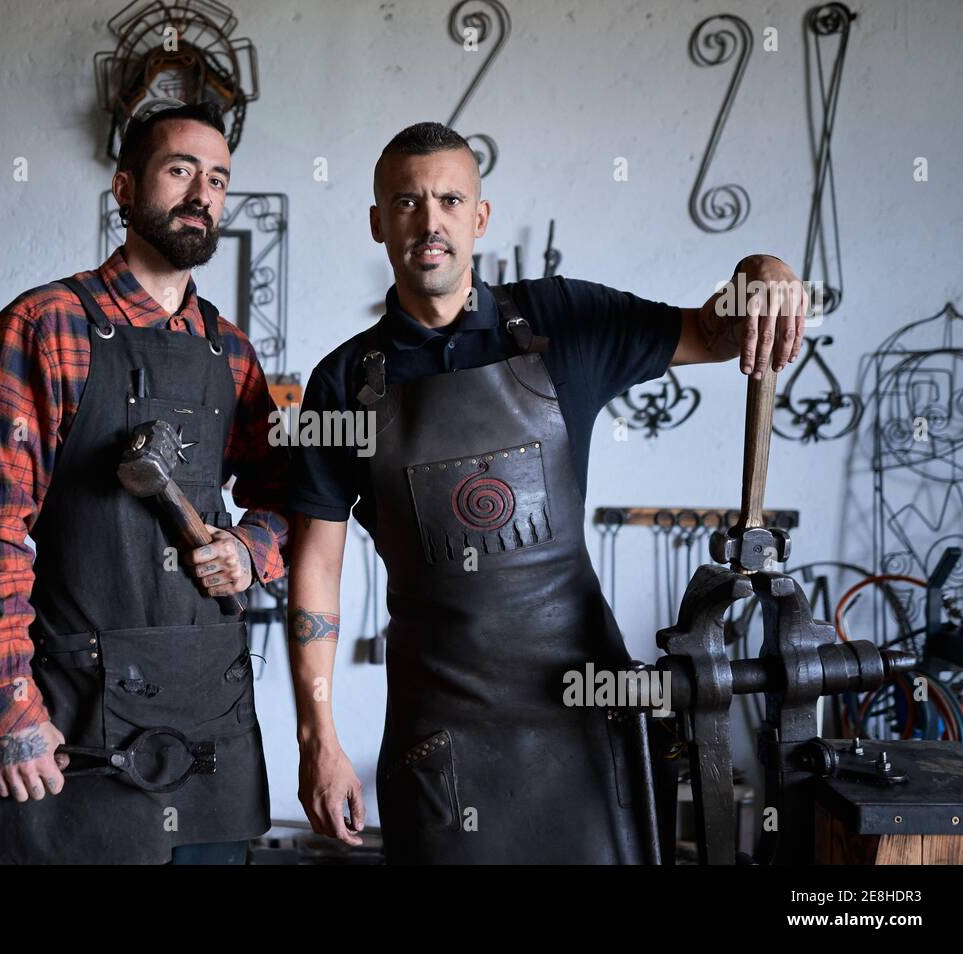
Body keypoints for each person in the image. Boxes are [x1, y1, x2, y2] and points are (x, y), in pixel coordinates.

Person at [286, 121, 806, 864]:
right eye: (406, 203)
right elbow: (316, 568)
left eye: (449, 200)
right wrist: (320, 738)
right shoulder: (343, 384)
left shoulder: (562, 322)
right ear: (378, 221)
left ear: (479, 217)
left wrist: (767, 271)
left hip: (585, 714)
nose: (429, 222)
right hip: (442, 736)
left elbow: (712, 332)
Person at [0, 100, 290, 865]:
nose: (203, 194)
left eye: (219, 179)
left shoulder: (229, 352)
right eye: (179, 171)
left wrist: (250, 548)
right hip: (78, 714)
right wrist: (8, 705)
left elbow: (287, 500)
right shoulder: (46, 324)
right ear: (125, 190)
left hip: (211, 711)